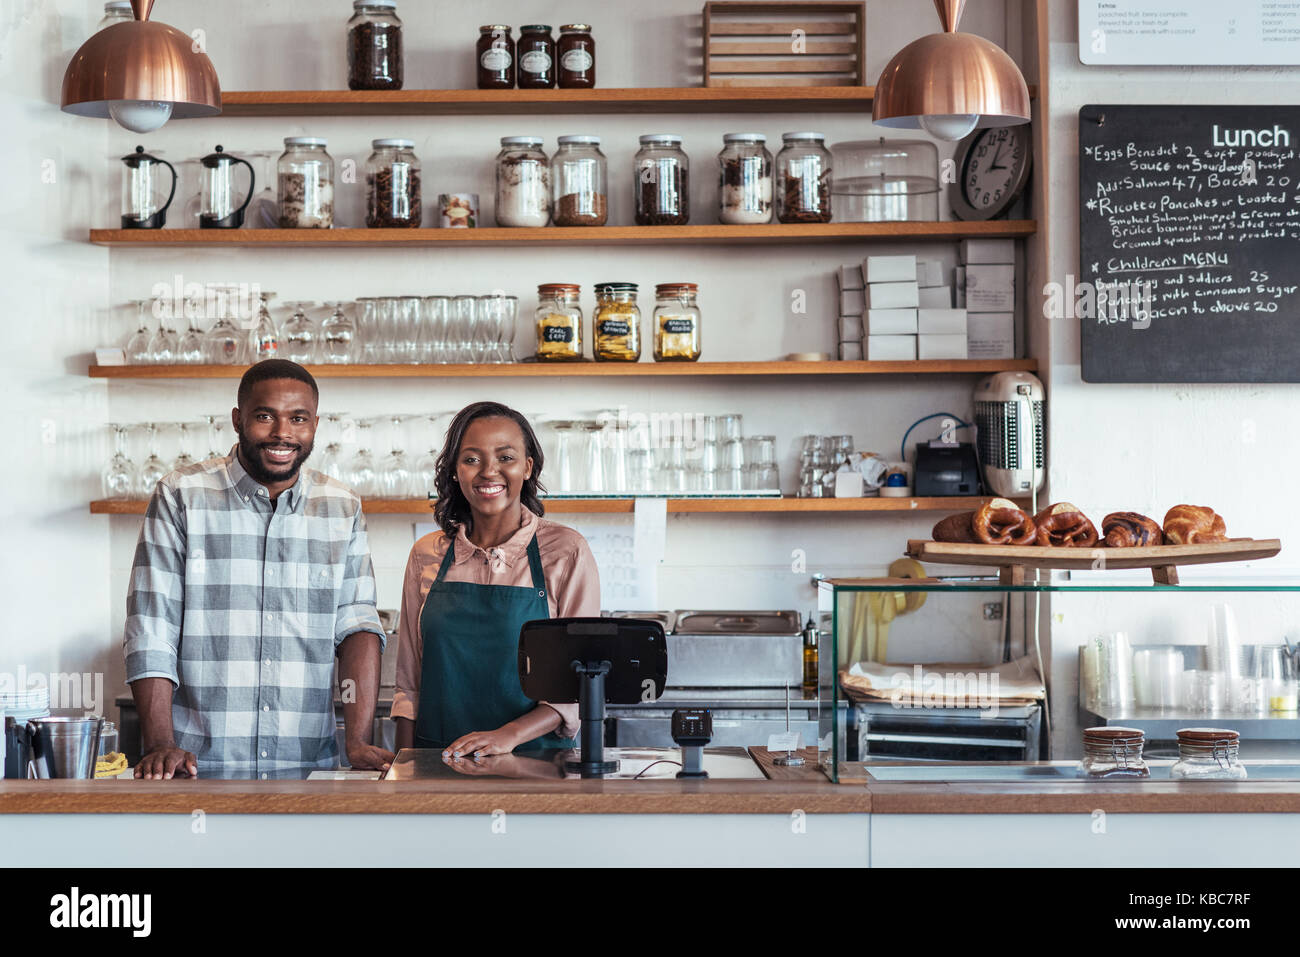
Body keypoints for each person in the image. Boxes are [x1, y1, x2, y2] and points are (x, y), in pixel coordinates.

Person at [124, 360, 393, 779]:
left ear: (315, 425)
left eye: (298, 419)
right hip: (196, 769)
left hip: (307, 768)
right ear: (238, 420)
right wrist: (161, 742)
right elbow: (151, 627)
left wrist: (356, 740)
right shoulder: (181, 496)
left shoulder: (341, 505)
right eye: (265, 416)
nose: (282, 433)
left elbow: (356, 624)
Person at [392, 401, 601, 758]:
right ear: (455, 471)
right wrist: (403, 771)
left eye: (506, 458)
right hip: (439, 761)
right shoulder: (427, 554)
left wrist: (508, 735)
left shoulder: (566, 552)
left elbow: (577, 687)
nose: (489, 472)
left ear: (528, 467)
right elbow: (409, 685)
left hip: (537, 764)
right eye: (472, 459)